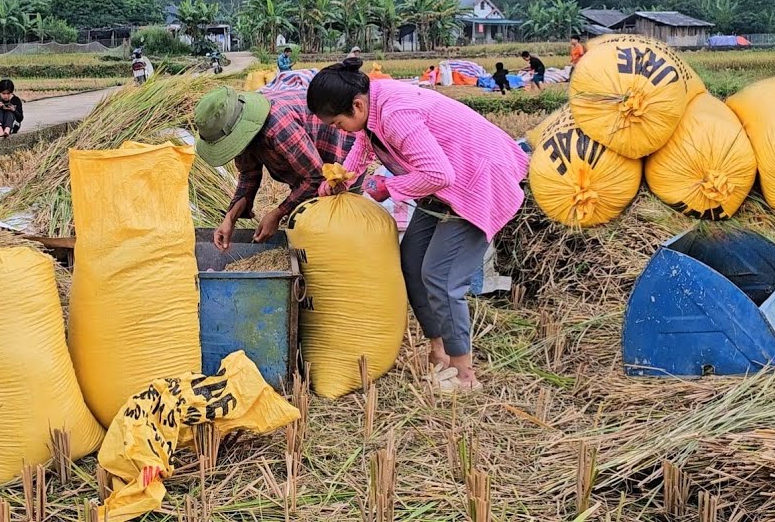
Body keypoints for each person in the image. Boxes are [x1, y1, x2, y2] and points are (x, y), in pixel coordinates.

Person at [307, 57, 528, 392]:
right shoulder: (372, 104)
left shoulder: (396, 113)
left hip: (476, 184)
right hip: (440, 189)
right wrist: (343, 178)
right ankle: (439, 351)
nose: (339, 131)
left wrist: (387, 188)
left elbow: (438, 174)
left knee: (441, 278)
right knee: (410, 263)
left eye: (338, 124)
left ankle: (464, 373)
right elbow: (366, 146)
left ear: (356, 104)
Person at [195, 86, 354, 251]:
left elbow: (315, 176)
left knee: (337, 224)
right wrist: (230, 218)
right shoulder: (238, 126)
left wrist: (277, 214)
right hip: (308, 164)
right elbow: (249, 173)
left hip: (338, 150)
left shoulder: (277, 126)